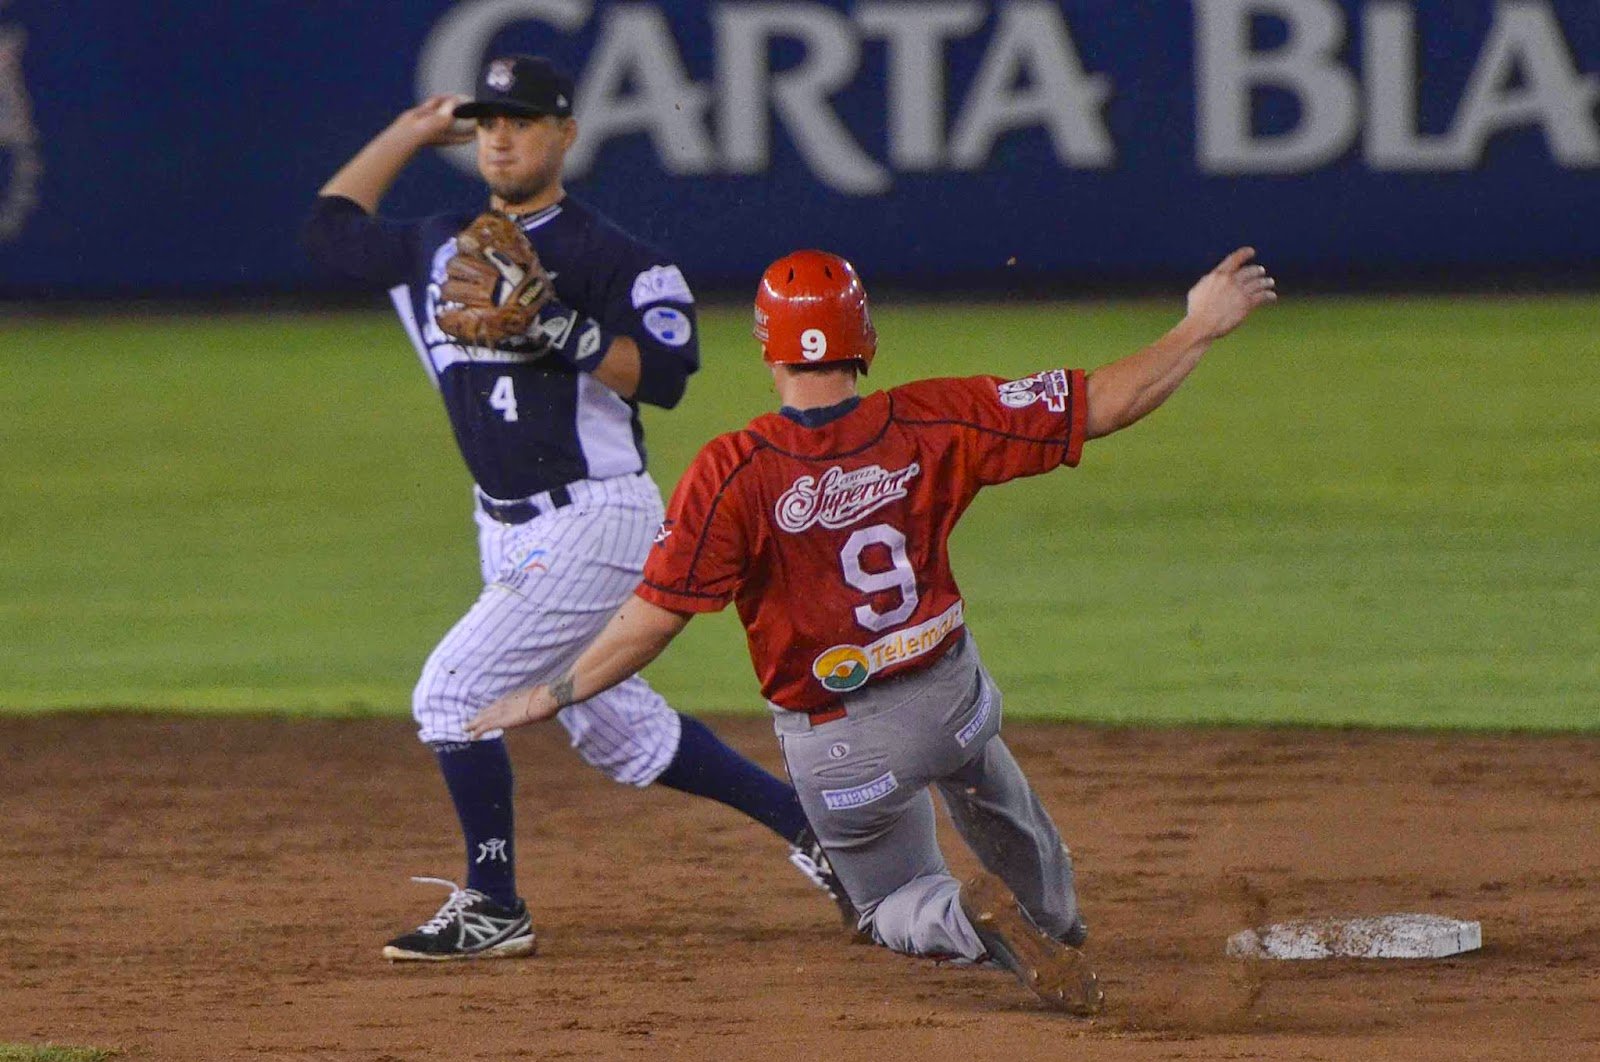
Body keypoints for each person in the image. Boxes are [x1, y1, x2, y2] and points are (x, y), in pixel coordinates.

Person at [464, 246, 1277, 1010]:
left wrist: (552, 693)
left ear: (768, 351)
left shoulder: (732, 469)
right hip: (950, 696)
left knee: (886, 899)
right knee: (982, 772)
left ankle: (967, 919)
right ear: (866, 342)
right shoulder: (932, 417)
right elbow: (1101, 404)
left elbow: (655, 620)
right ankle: (1055, 922)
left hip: (840, 744)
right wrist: (1198, 325)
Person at [302, 55, 853, 962]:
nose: (501, 137)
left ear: (566, 134)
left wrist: (555, 327)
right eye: (485, 124)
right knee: (611, 721)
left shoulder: (614, 256)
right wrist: (409, 129)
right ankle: (817, 834)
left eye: (520, 120)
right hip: (505, 526)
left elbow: (670, 376)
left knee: (450, 694)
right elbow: (328, 233)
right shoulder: (436, 243)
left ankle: (494, 904)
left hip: (597, 519)